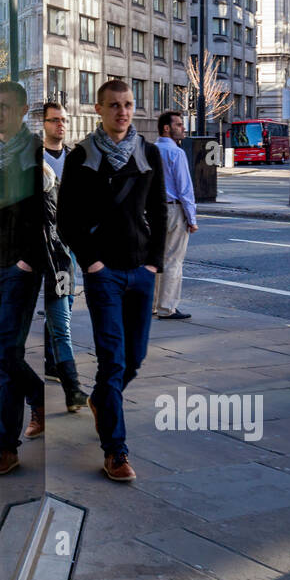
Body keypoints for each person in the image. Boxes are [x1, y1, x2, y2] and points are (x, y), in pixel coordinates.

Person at [58, 80, 166, 482]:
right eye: (114, 105)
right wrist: (92, 262)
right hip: (104, 274)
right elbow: (66, 218)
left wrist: (154, 265)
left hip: (140, 273)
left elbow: (159, 213)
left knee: (133, 360)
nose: (123, 112)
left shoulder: (149, 153)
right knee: (113, 359)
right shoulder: (82, 155)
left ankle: (102, 400)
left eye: (128, 105)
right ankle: (115, 452)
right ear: (99, 109)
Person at [0, 81, 47, 476]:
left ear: (22, 110)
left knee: (6, 354)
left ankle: (5, 447)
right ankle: (38, 395)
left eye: (4, 107)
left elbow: (47, 213)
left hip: (21, 270)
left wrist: (28, 261)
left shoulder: (37, 152)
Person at [38, 101, 89, 414]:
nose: (60, 125)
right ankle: (70, 384)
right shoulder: (34, 158)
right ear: (43, 124)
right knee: (60, 316)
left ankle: (51, 362)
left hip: (66, 247)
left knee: (63, 306)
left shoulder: (73, 158)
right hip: (43, 248)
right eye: (54, 120)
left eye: (63, 121)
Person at [153, 110, 198, 319]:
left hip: (154, 210)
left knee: (155, 259)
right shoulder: (176, 153)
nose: (183, 128)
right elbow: (185, 188)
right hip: (174, 209)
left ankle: (152, 304)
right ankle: (167, 307)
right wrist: (192, 218)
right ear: (167, 128)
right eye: (179, 124)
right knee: (173, 261)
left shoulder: (150, 150)